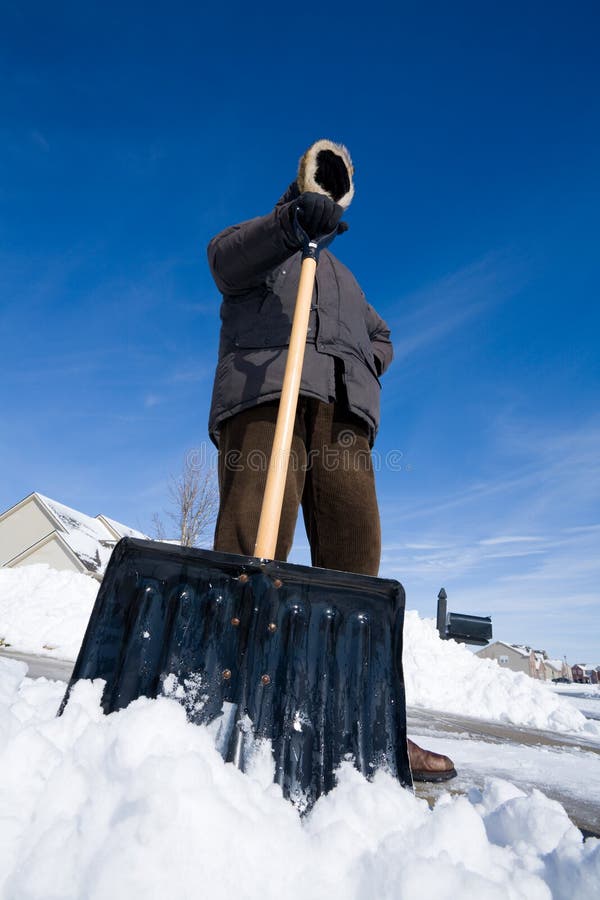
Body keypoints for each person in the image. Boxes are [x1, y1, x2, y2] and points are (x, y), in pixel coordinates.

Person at [206, 139, 456, 783]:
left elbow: (383, 336)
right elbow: (224, 262)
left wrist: (364, 369)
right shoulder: (267, 242)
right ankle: (221, 698)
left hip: (341, 420)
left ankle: (367, 719)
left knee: (357, 567)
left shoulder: (345, 278)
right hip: (267, 400)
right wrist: (291, 223)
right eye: (323, 178)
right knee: (249, 549)